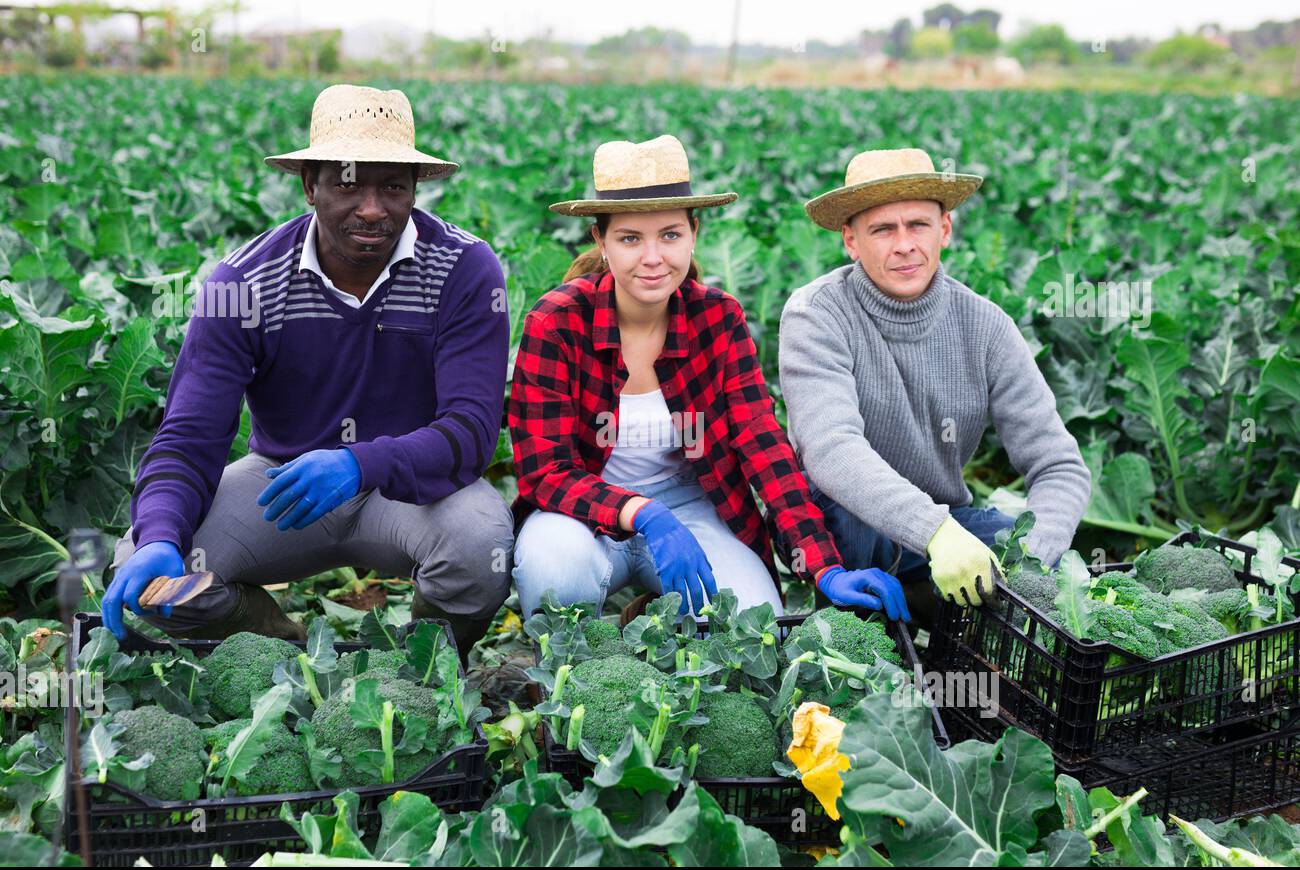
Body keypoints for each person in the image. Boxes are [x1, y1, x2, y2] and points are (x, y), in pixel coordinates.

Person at [101, 84, 513, 665]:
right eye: (348, 183)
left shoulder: (464, 268)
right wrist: (163, 535)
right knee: (145, 574)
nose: (372, 208)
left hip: (414, 490)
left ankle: (427, 672)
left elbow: (471, 431)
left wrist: (359, 463)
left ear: (414, 190)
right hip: (284, 483)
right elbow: (189, 436)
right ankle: (280, 646)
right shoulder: (242, 283)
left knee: (479, 543)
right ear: (309, 185)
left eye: (393, 186)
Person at [509, 134, 908, 622]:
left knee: (753, 624)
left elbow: (763, 445)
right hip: (581, 514)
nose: (653, 257)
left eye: (670, 235)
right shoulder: (556, 322)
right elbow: (543, 472)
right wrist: (641, 513)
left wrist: (824, 566)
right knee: (557, 577)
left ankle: (655, 617)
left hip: (690, 510)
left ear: (694, 233)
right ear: (601, 240)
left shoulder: (717, 318)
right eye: (630, 238)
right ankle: (574, 673)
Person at [780, 148, 1091, 613]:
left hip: (943, 525)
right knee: (849, 518)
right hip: (841, 532)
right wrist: (936, 533)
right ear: (850, 239)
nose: (904, 244)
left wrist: (1032, 560)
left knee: (1038, 561)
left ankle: (940, 623)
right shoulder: (818, 313)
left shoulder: (986, 326)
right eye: (882, 229)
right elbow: (831, 449)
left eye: (918, 225)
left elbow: (1059, 465)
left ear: (944, 229)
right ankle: (854, 646)